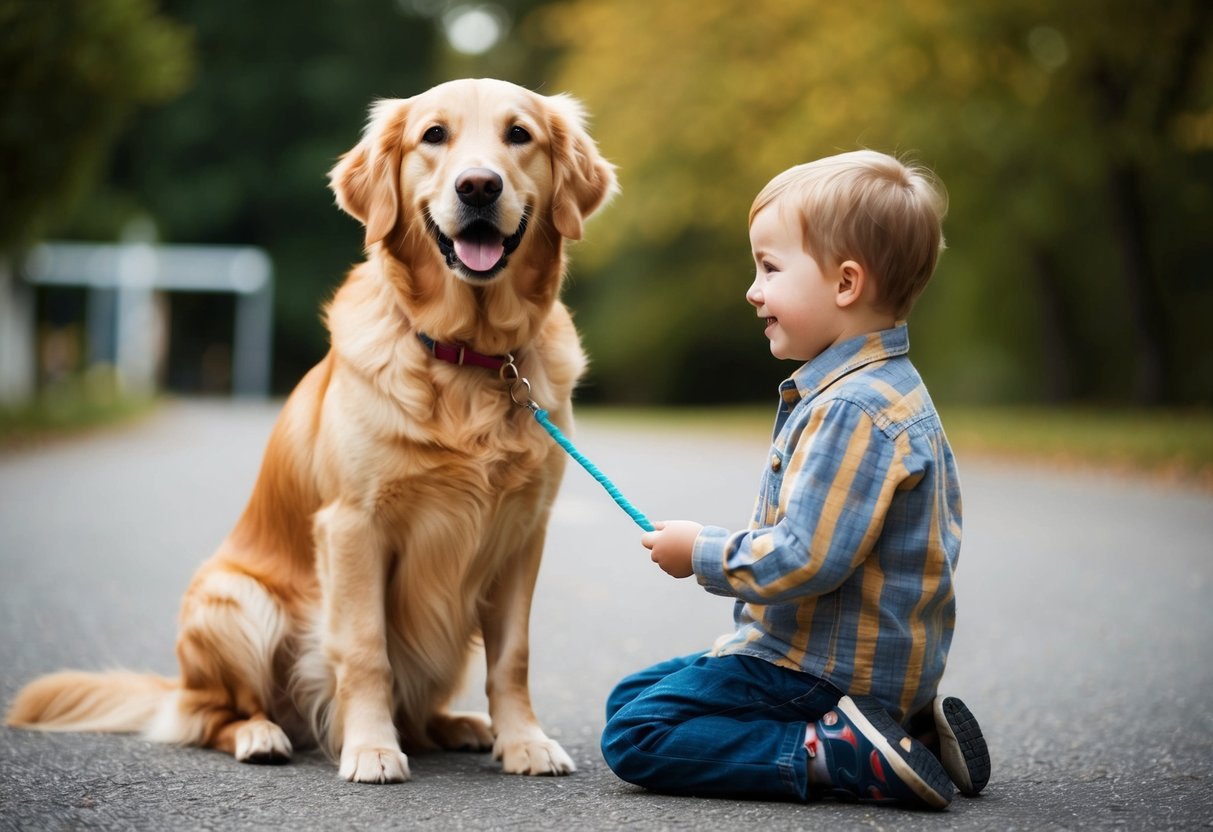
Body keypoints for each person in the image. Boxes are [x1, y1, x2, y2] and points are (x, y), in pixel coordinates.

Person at [601, 150, 990, 809]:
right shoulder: (884, 389)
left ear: (844, 284)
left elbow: (807, 557)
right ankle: (905, 730)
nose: (752, 290)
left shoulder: (850, 409)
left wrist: (702, 551)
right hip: (869, 669)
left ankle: (831, 752)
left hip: (820, 671)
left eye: (769, 268)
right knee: (631, 696)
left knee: (637, 732)